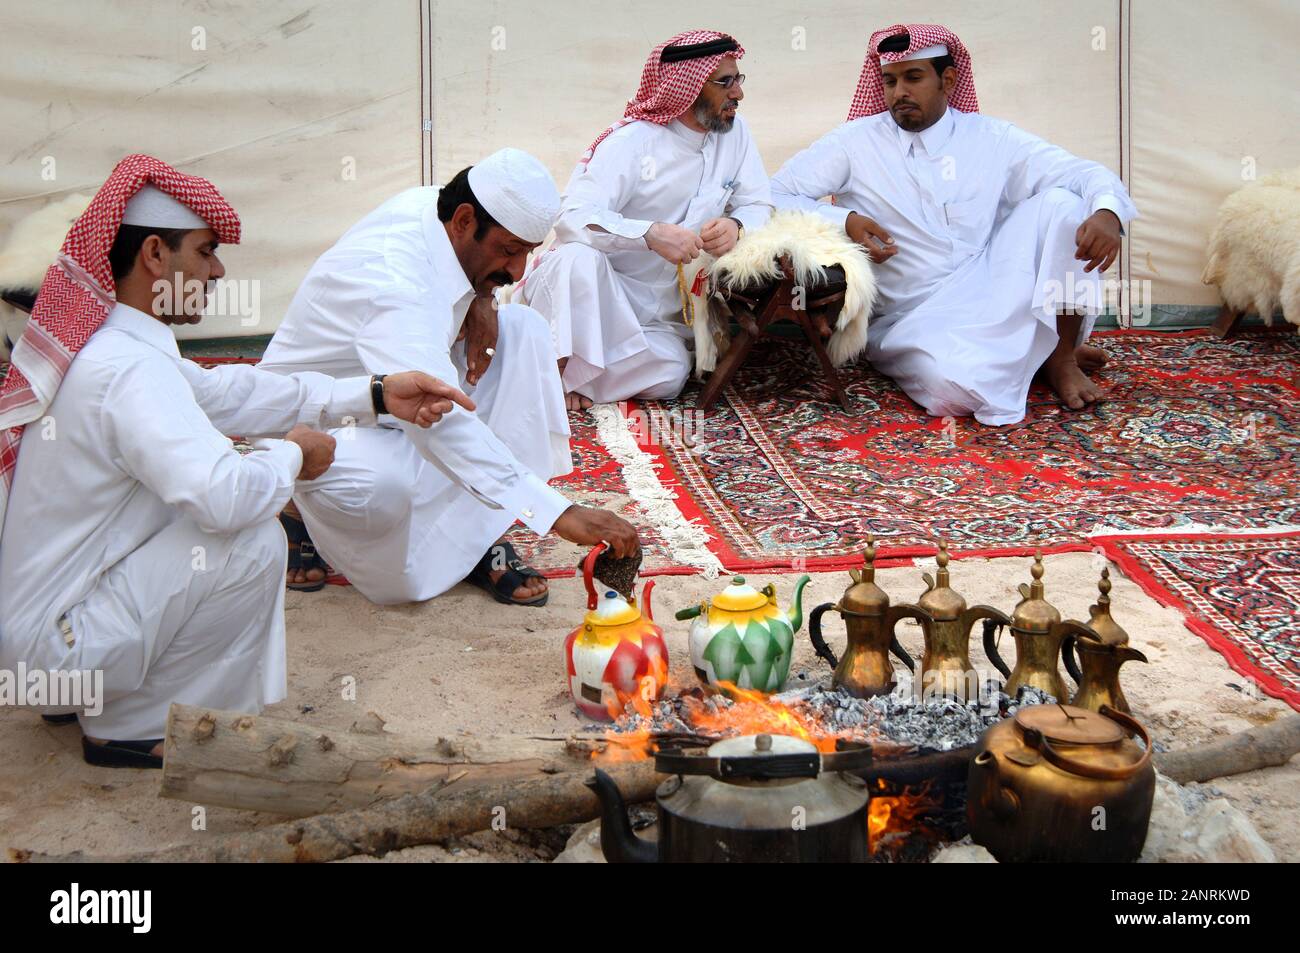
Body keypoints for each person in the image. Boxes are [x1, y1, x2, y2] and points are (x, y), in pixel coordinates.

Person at [0, 155, 465, 768]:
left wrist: (373, 394)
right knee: (248, 541)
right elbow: (225, 499)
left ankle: (78, 696)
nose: (218, 272)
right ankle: (130, 726)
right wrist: (294, 455)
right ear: (155, 257)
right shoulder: (129, 370)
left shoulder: (110, 345)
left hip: (40, 638)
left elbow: (229, 394)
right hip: (53, 647)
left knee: (201, 513)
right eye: (207, 252)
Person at [258, 148, 640, 607]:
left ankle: (480, 539)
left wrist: (482, 299)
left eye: (527, 253)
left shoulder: (432, 208)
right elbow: (442, 420)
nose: (518, 271)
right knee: (383, 495)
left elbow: (452, 274)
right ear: (463, 221)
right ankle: (297, 506)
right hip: (323, 419)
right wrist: (558, 512)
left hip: (393, 388)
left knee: (526, 333)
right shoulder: (395, 286)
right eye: (510, 251)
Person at [770, 23, 1138, 426]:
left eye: (913, 78)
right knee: (958, 391)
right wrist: (845, 220)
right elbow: (773, 195)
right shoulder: (854, 143)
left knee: (1066, 205)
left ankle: (1061, 355)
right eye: (889, 81)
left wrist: (1108, 212)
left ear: (948, 79)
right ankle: (1034, 351)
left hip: (992, 285)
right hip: (914, 315)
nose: (898, 93)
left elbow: (1082, 173)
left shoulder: (993, 139)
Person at [520, 29, 773, 408]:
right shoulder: (632, 142)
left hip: (659, 316)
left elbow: (759, 204)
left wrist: (738, 227)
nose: (738, 93)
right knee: (575, 257)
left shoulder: (736, 135)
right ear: (686, 89)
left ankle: (574, 383)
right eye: (725, 82)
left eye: (738, 80)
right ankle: (554, 373)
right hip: (596, 298)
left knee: (671, 373)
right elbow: (572, 216)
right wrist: (648, 235)